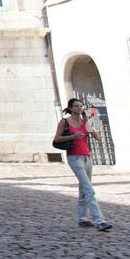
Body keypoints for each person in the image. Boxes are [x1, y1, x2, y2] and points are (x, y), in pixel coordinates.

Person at [53, 99, 112, 231]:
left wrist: (88, 122)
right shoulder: (64, 122)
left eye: (80, 106)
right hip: (74, 157)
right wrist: (72, 137)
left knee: (84, 188)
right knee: (89, 189)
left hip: (87, 157)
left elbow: (97, 137)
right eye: (76, 106)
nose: (79, 108)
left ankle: (82, 218)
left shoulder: (85, 122)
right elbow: (57, 139)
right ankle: (99, 220)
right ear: (70, 108)